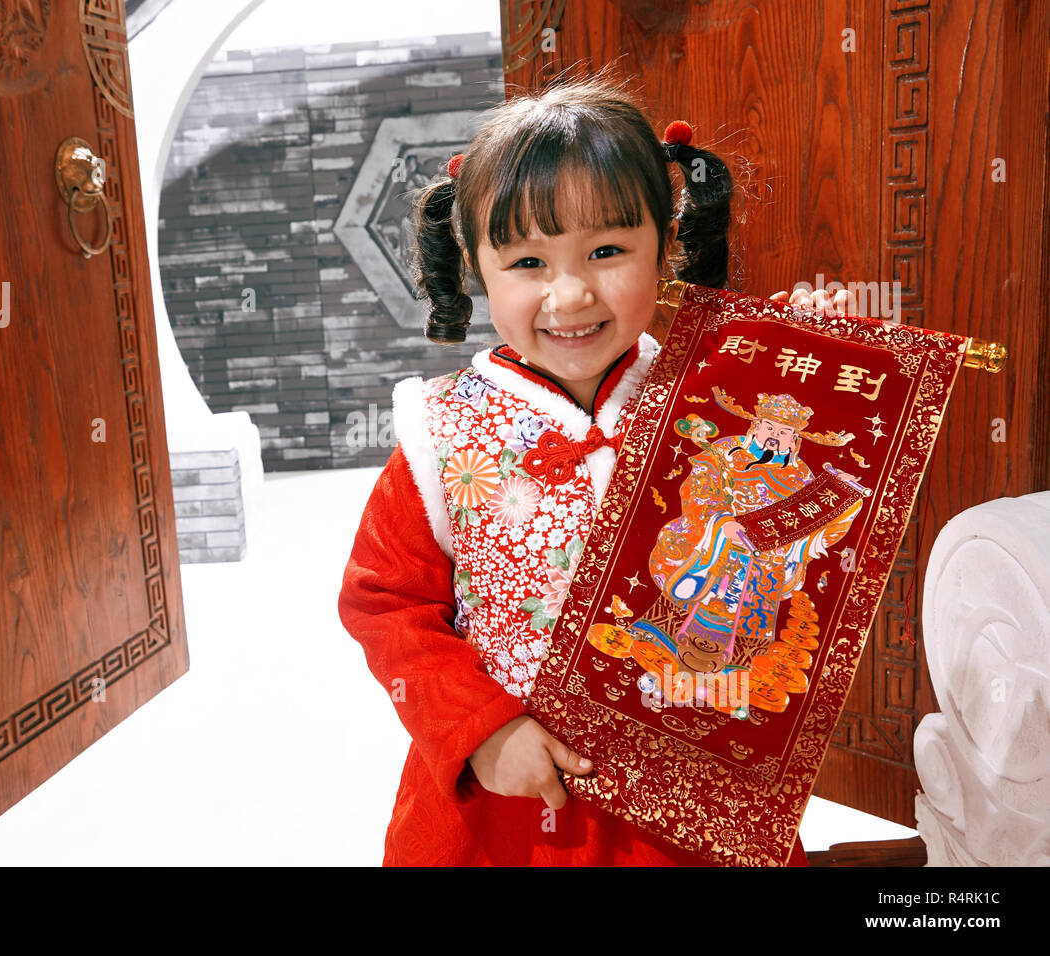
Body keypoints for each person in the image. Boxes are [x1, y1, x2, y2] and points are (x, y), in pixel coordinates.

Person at [337, 68, 857, 866]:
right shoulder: (440, 432)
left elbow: (803, 502)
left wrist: (816, 375)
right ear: (477, 265)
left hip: (693, 779)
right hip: (510, 802)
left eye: (608, 250)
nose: (571, 294)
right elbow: (384, 601)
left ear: (668, 244)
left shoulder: (720, 392)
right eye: (528, 264)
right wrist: (482, 730)